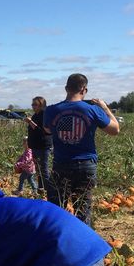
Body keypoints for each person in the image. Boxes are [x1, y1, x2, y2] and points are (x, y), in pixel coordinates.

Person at [43, 74, 119, 225]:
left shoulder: (51, 110)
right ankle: (83, 243)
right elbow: (115, 130)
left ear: (66, 88)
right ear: (84, 89)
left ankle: (55, 241)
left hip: (61, 164)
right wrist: (104, 107)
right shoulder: (92, 110)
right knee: (83, 210)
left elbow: (47, 130)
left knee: (56, 209)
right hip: (86, 165)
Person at [24, 96, 52, 193]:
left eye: (35, 104)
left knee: (43, 168)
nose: (33, 106)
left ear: (41, 105)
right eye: (32, 104)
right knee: (38, 169)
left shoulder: (44, 115)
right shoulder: (36, 115)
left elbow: (42, 131)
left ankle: (49, 190)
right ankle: (41, 188)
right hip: (35, 145)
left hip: (43, 146)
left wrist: (30, 122)